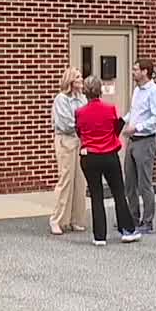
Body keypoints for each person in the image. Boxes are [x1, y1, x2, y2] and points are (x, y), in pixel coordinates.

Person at [75, 76, 141, 246]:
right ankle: (127, 230)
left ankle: (99, 236)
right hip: (109, 154)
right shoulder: (110, 109)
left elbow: (79, 132)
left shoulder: (80, 112)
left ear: (85, 91)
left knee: (96, 195)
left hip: (89, 156)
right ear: (100, 90)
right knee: (118, 192)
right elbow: (115, 129)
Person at [123, 59, 156, 234]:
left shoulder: (154, 92)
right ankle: (132, 218)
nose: (133, 72)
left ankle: (148, 221)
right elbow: (134, 112)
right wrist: (121, 122)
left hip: (145, 140)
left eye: (136, 70)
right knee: (130, 183)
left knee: (144, 183)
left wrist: (137, 127)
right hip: (132, 141)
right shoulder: (137, 91)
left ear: (145, 72)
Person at [49, 67, 88, 235]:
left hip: (81, 141)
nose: (81, 80)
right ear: (71, 81)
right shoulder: (61, 99)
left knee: (80, 180)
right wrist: (83, 125)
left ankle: (76, 219)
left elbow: (86, 116)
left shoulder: (82, 99)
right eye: (78, 78)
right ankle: (57, 220)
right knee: (66, 180)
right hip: (66, 141)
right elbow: (66, 123)